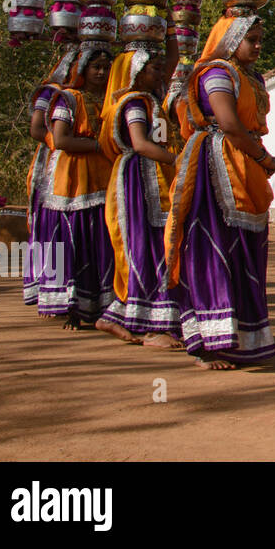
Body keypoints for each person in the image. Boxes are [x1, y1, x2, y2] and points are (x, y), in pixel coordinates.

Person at [165, 14, 275, 369]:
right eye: (252, 40)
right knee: (212, 247)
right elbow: (228, 123)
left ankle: (239, 338)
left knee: (244, 250)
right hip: (215, 165)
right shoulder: (217, 73)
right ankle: (207, 344)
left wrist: (258, 159)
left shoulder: (250, 77)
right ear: (231, 40)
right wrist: (263, 157)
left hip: (244, 166)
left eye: (260, 39)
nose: (258, 46)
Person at [95, 48, 181, 347]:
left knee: (154, 244)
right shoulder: (135, 103)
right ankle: (145, 327)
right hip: (139, 179)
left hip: (150, 177)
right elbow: (141, 143)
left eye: (160, 69)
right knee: (143, 245)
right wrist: (179, 161)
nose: (159, 74)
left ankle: (121, 318)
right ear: (135, 74)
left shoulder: (147, 101)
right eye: (153, 69)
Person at [37, 45, 116, 328]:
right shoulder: (69, 98)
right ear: (82, 70)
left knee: (100, 241)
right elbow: (59, 140)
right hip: (72, 180)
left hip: (103, 177)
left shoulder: (109, 100)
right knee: (74, 240)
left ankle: (97, 304)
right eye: (96, 67)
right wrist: (99, 146)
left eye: (106, 67)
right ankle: (71, 305)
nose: (101, 72)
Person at [23, 46, 77, 308]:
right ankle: (49, 287)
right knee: (49, 222)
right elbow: (36, 129)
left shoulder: (82, 95)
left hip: (77, 160)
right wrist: (59, 142)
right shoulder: (51, 91)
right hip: (52, 159)